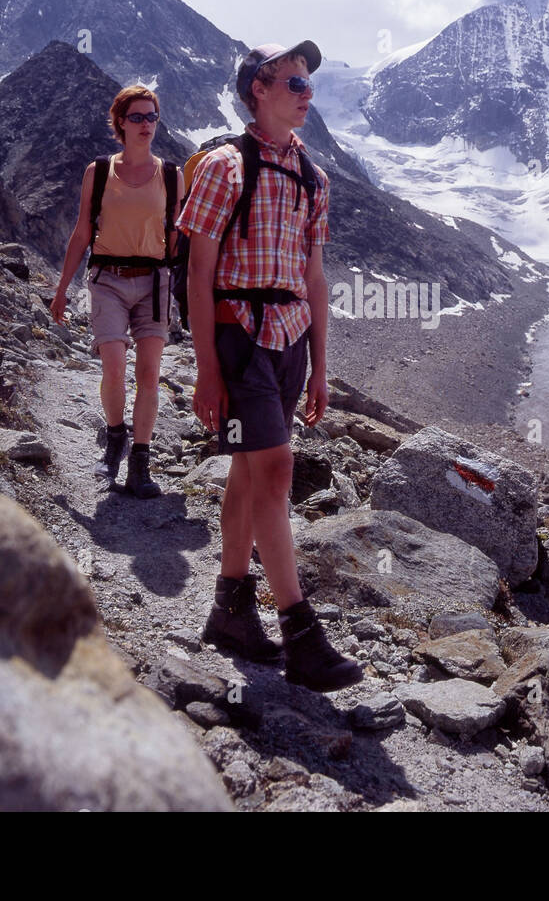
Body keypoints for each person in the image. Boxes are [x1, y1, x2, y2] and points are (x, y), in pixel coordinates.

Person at [175, 41, 363, 692]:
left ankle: (230, 608)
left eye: (310, 85)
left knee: (246, 475)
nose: (307, 95)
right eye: (294, 83)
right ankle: (300, 632)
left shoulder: (314, 177)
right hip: (237, 341)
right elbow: (199, 272)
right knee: (276, 468)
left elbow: (314, 277)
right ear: (259, 88)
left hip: (288, 343)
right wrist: (205, 369)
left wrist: (318, 367)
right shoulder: (224, 168)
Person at [51, 85, 182, 498]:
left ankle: (139, 464)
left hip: (154, 283)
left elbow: (178, 238)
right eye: (138, 117)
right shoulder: (99, 171)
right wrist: (61, 290)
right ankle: (114, 438)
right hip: (107, 278)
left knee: (148, 374)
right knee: (112, 366)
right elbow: (82, 232)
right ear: (120, 122)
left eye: (152, 117)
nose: (146, 125)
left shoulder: (173, 175)